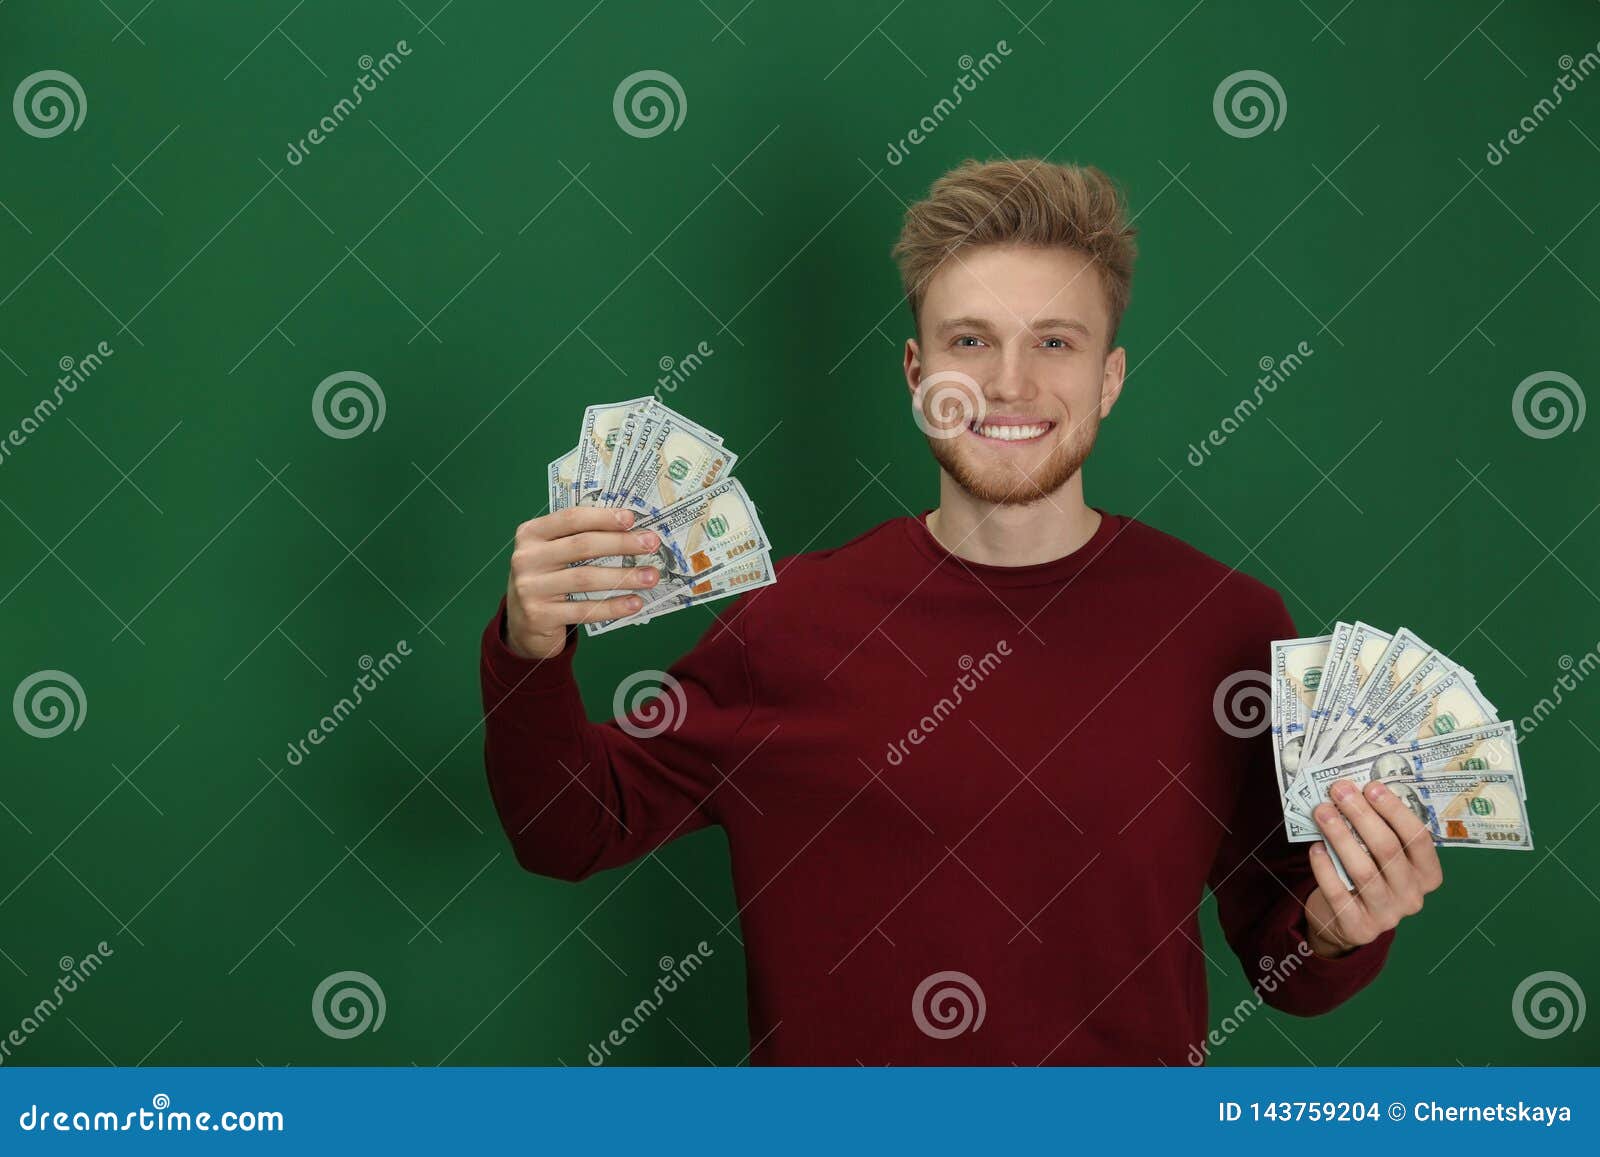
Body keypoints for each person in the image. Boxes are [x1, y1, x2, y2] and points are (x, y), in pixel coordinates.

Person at [478, 158, 1443, 1065]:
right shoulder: (787, 624)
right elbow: (570, 829)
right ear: (916, 373)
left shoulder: (1225, 628)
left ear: (1109, 378)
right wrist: (528, 647)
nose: (1009, 384)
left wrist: (1336, 930)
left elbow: (1287, 966)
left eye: (1054, 342)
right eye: (970, 341)